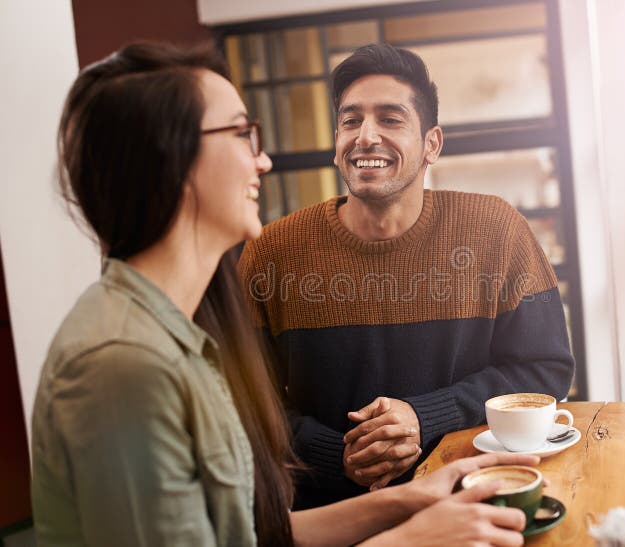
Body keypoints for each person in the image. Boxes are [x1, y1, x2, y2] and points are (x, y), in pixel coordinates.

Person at [30, 42, 541, 547]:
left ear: (432, 143)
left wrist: (409, 500)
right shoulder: (125, 365)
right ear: (173, 159)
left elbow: (253, 535)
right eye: (241, 134)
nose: (264, 161)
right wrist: (411, 539)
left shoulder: (173, 337)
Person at [237, 43, 575, 509]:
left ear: (431, 144)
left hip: (473, 500)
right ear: (336, 144)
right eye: (350, 121)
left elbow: (545, 371)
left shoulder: (497, 230)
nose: (366, 137)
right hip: (326, 516)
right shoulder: (271, 252)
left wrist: (425, 417)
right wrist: (341, 456)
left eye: (390, 119)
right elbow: (241, 403)